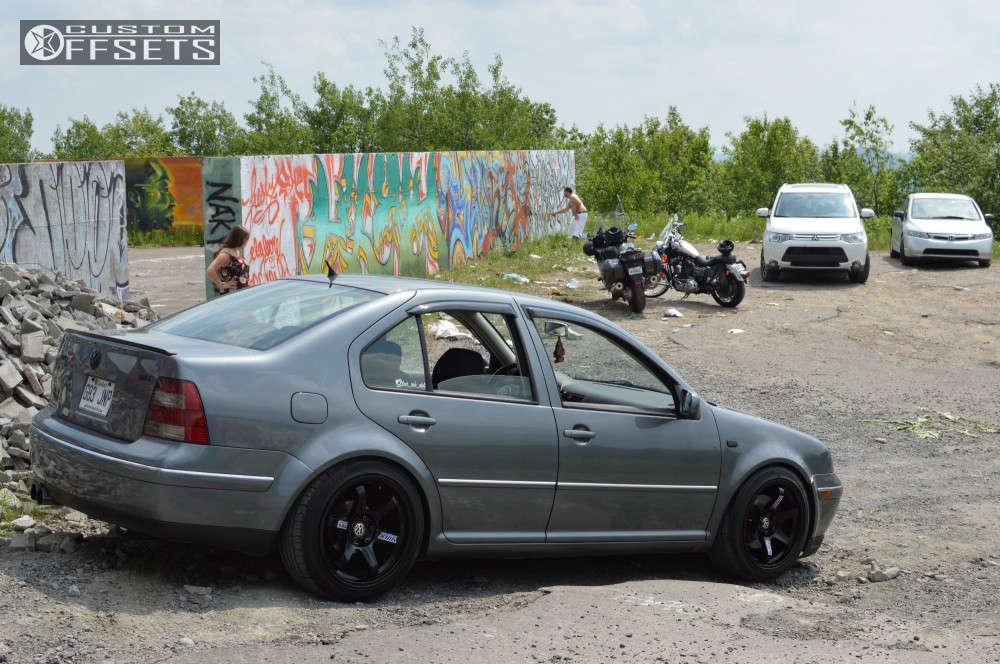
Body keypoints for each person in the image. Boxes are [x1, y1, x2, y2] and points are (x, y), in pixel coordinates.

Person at [207, 226, 250, 295]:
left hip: (241, 293)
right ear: (239, 239)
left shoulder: (237, 251)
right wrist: (221, 284)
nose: (246, 242)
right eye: (245, 239)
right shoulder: (226, 254)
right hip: (232, 294)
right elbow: (210, 270)